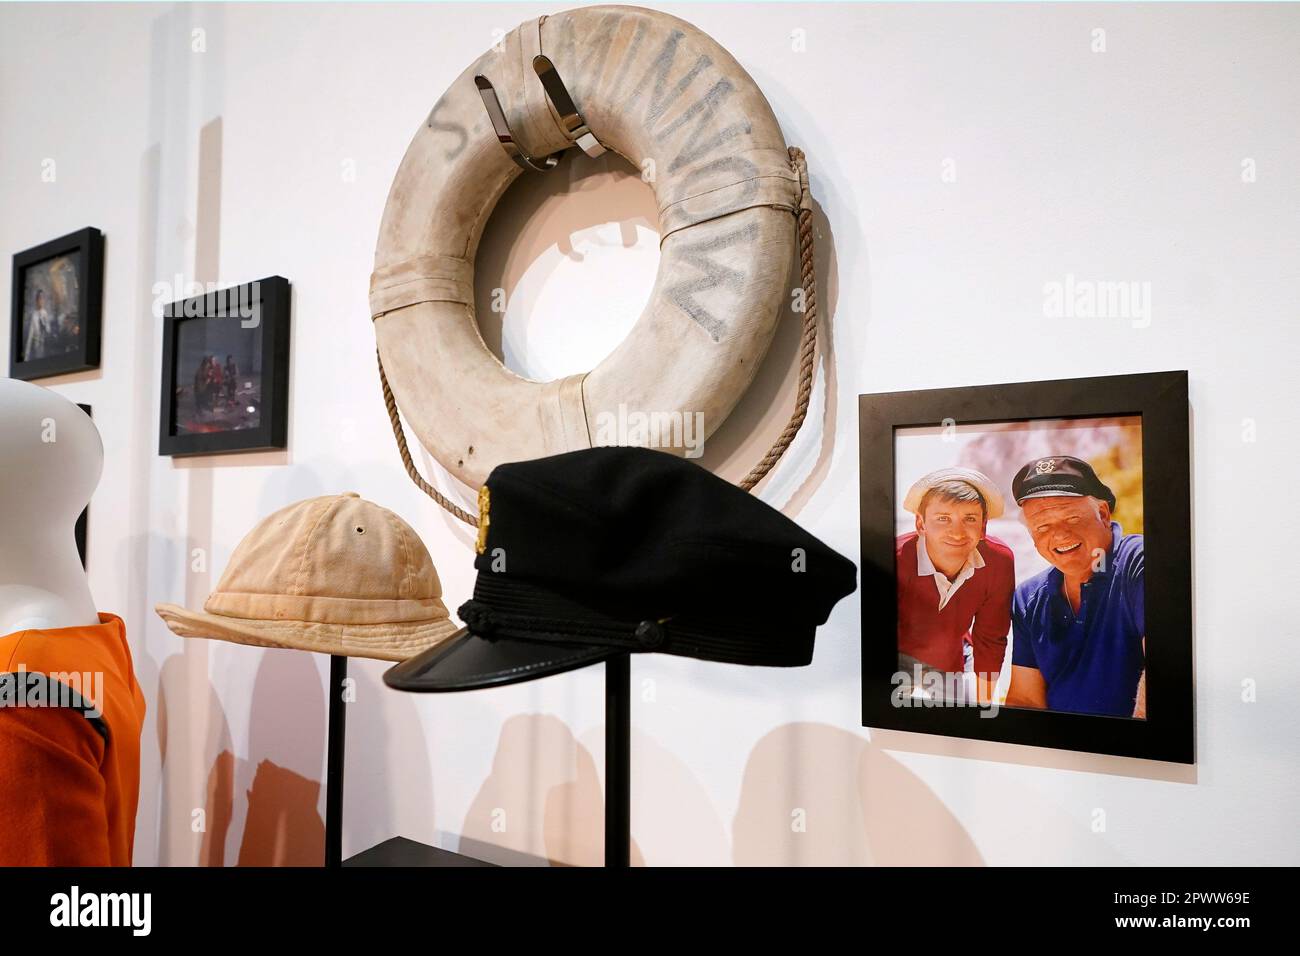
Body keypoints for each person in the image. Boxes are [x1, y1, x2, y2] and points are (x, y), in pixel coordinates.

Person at [1006, 456, 1145, 718]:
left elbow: (1166, 673)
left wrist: (1136, 751)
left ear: (1102, 513)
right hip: (1060, 753)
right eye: (1043, 526)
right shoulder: (1027, 597)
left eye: (1071, 518)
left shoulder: (1139, 562)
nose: (1059, 535)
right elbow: (1026, 700)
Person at [896, 468, 1014, 703]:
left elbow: (991, 637)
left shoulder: (998, 561)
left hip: (951, 654)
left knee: (967, 718)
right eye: (943, 518)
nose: (957, 532)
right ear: (921, 523)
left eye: (970, 518)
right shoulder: (897, 558)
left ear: (983, 527)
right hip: (897, 654)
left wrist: (980, 708)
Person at [22, 288, 54, 360]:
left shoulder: (45, 314)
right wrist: (26, 357)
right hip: (37, 350)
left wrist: (45, 325)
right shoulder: (33, 315)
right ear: (36, 301)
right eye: (39, 299)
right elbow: (30, 337)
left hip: (45, 349)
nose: (41, 301)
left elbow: (49, 331)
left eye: (43, 299)